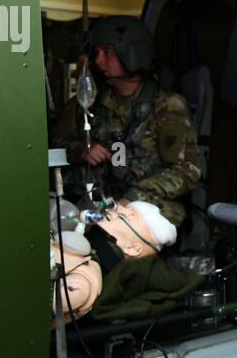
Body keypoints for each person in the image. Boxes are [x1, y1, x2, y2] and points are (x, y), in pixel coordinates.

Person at [54, 16, 201, 228]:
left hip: (147, 208)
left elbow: (186, 170)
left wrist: (134, 198)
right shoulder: (90, 103)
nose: (98, 61)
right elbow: (57, 145)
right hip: (97, 204)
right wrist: (82, 150)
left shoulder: (167, 106)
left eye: (107, 53)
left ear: (132, 53)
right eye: (97, 53)